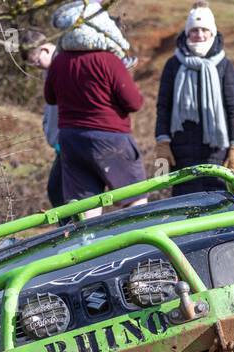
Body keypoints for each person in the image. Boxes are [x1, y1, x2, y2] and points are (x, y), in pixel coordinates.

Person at [45, 0, 146, 213]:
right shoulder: (108, 60)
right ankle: (141, 244)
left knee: (85, 209)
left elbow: (50, 97)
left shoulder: (59, 61)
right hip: (110, 139)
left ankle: (87, 244)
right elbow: (133, 102)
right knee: (134, 200)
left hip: (71, 140)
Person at [155, 2, 234, 195]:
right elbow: (163, 107)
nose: (200, 35)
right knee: (184, 205)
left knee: (218, 203)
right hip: (181, 152)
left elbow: (233, 108)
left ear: (213, 33)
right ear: (187, 33)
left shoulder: (224, 65)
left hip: (216, 151)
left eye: (205, 30)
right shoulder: (173, 65)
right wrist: (162, 142)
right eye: (194, 30)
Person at [31, 42, 64, 207]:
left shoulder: (63, 67)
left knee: (57, 190)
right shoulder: (49, 73)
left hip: (69, 142)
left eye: (36, 60)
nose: (35, 65)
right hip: (62, 144)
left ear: (45, 49)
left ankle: (72, 230)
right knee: (58, 191)